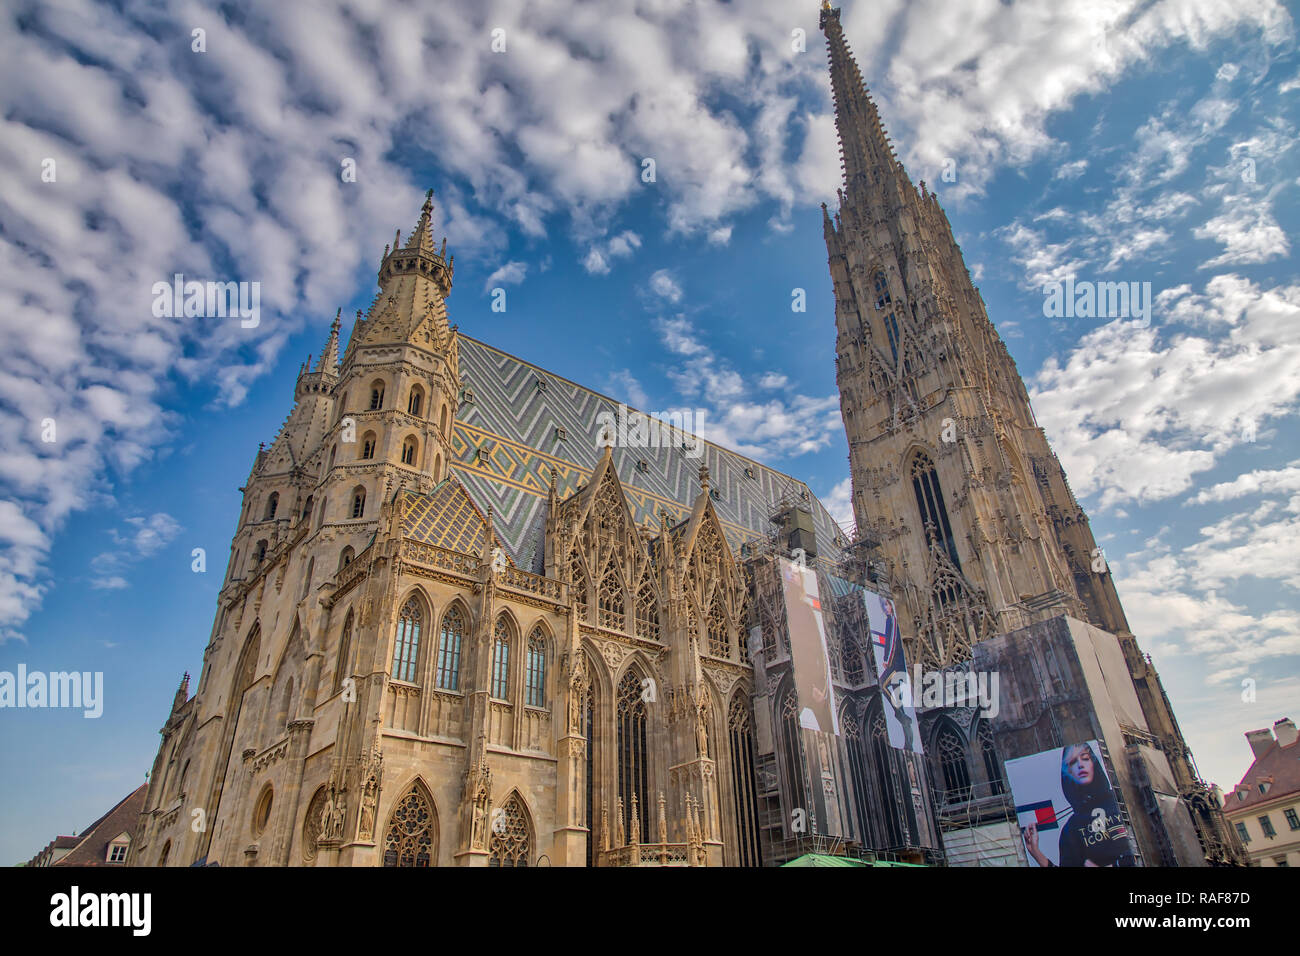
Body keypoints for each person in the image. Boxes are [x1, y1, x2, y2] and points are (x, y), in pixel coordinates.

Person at [1022, 742, 1135, 867]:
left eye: (1085, 758)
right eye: (1072, 762)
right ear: (1067, 772)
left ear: (1094, 763)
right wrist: (1035, 852)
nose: (1080, 765)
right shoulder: (1071, 829)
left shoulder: (1122, 801)